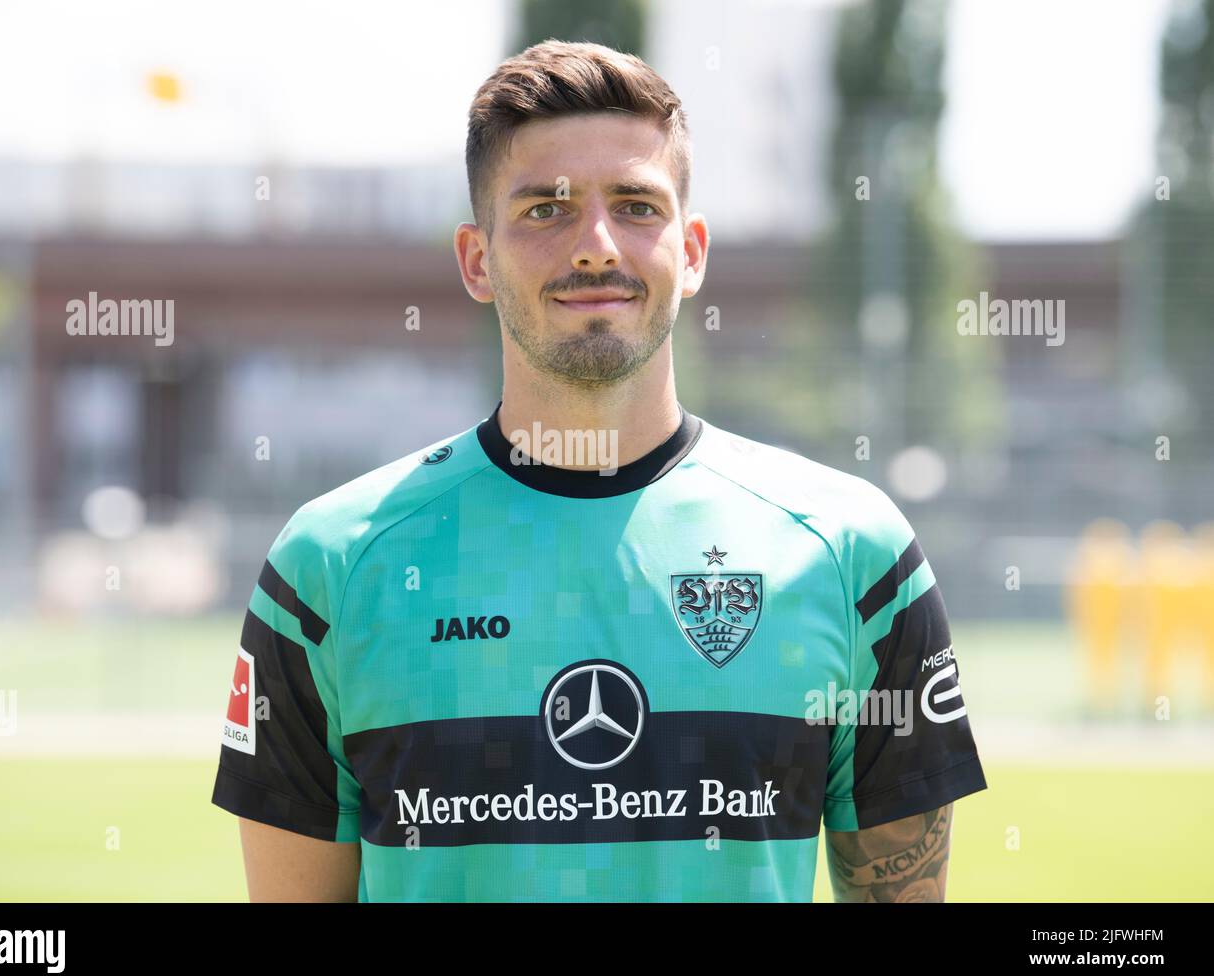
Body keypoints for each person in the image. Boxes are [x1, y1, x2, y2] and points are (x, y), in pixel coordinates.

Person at [211, 39, 986, 902]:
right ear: (476, 258)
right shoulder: (330, 567)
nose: (595, 244)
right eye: (546, 208)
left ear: (691, 252)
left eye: (636, 205)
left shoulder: (853, 557)